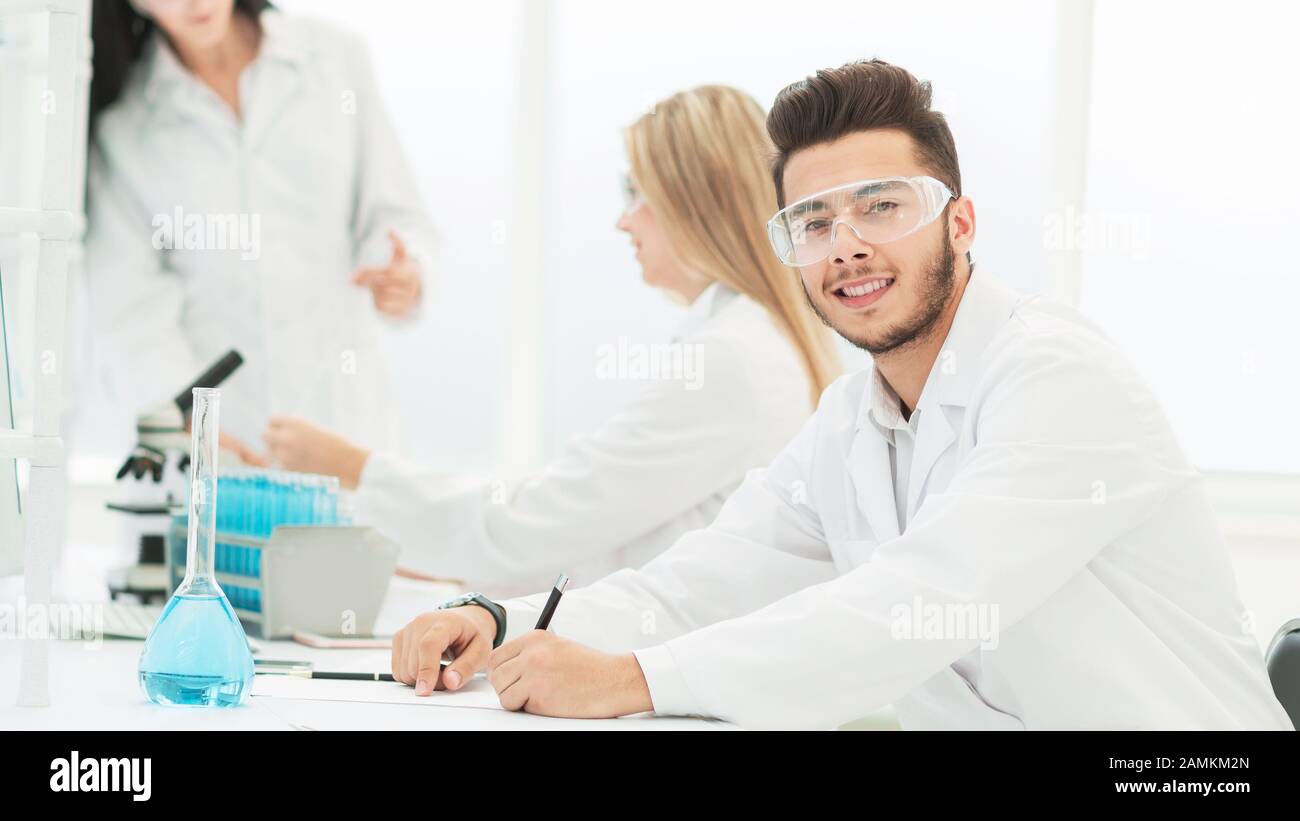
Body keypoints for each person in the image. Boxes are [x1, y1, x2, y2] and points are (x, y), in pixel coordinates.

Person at [387, 60, 1293, 730]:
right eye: (814, 222)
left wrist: (633, 679)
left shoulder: (1057, 378)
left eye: (882, 206)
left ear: (961, 222)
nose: (845, 244)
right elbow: (696, 585)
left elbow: (913, 604)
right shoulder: (851, 425)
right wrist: (498, 617)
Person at [262, 86, 842, 590]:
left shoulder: (731, 359)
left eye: (637, 193)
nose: (623, 221)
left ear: (697, 205)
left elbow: (530, 525)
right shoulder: (751, 341)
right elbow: (599, 535)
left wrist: (355, 467)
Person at [85, 0, 433, 456]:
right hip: (227, 443)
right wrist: (192, 428)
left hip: (346, 429)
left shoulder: (334, 59)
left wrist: (403, 276)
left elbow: (395, 217)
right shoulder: (123, 127)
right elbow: (130, 313)